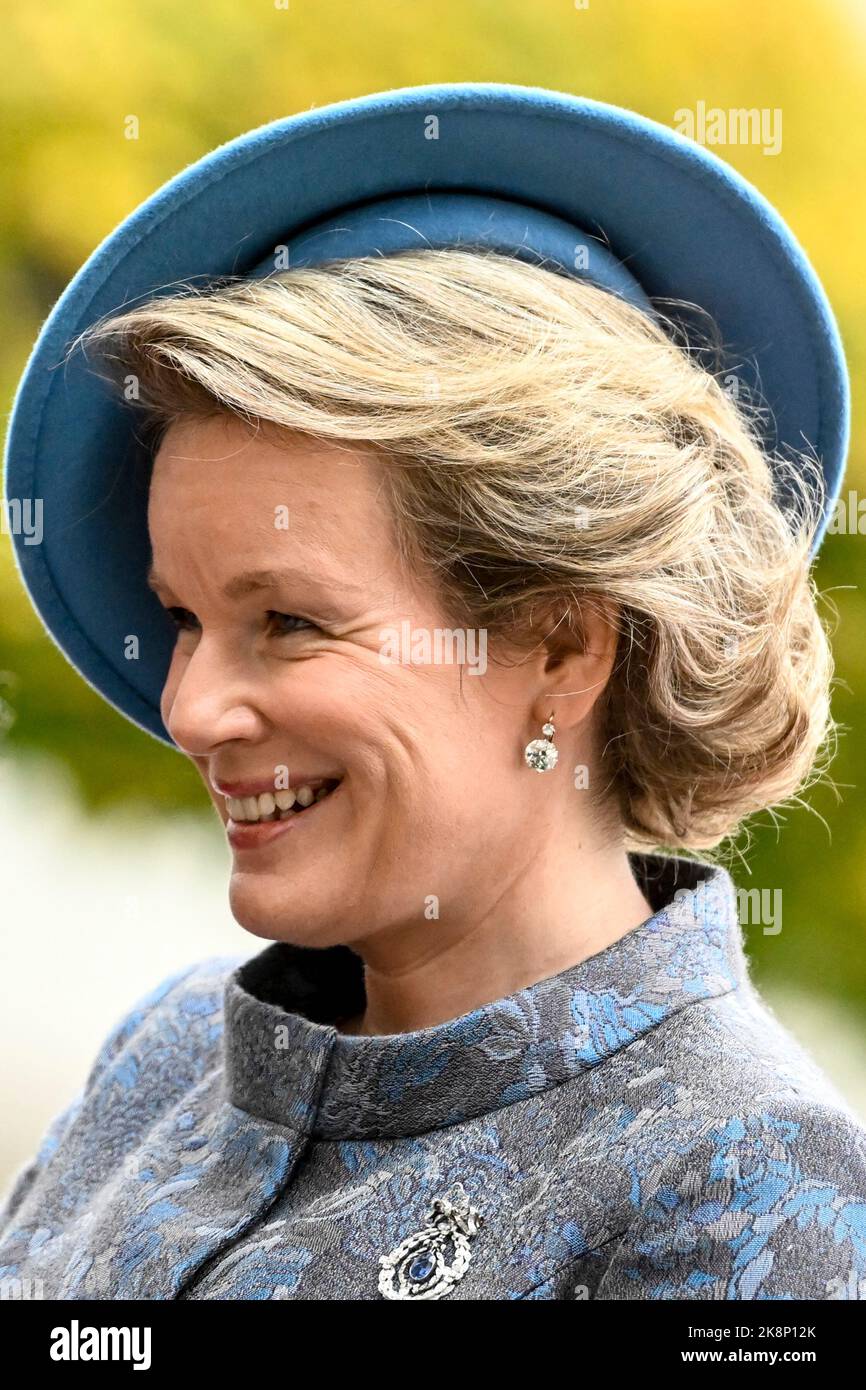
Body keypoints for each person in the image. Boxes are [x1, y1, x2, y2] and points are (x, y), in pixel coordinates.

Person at [2, 83, 864, 1301]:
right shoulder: (172, 1050)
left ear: (561, 644)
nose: (192, 711)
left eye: (288, 621)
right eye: (185, 619)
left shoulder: (738, 1180)